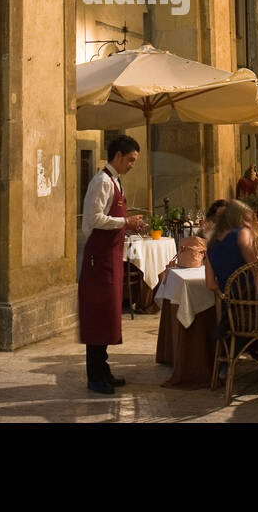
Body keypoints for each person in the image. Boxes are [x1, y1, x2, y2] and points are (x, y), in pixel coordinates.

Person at [78, 134, 144, 395]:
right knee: (97, 315)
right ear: (117, 156)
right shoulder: (102, 181)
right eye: (130, 160)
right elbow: (93, 219)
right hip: (99, 258)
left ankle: (103, 368)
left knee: (107, 314)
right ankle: (94, 377)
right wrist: (124, 223)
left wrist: (127, 225)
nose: (131, 165)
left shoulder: (116, 181)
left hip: (111, 256)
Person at [205, 199, 258, 295]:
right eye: (246, 220)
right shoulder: (242, 233)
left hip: (229, 306)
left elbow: (210, 285)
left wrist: (230, 291)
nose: (249, 224)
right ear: (237, 218)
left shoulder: (211, 244)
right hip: (252, 301)